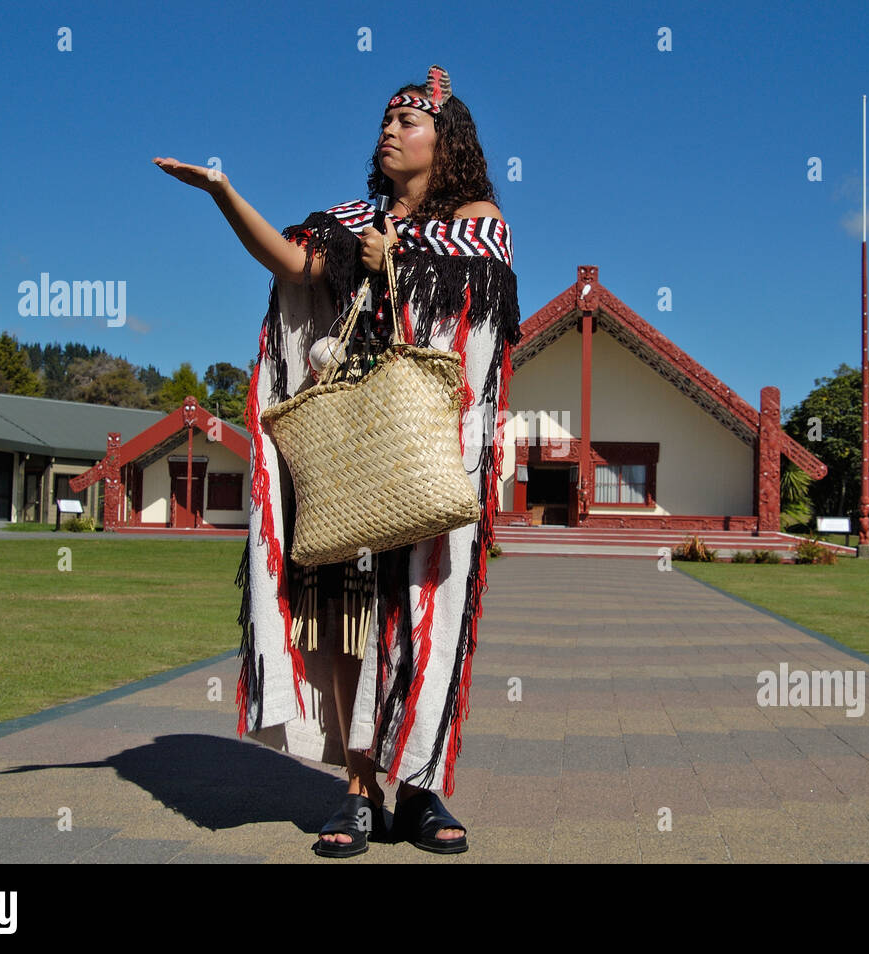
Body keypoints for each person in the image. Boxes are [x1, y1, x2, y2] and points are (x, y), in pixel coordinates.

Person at [153, 65, 521, 859]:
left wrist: (397, 266)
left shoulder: (479, 221)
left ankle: (418, 786)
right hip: (355, 448)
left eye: (410, 120)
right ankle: (357, 789)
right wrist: (222, 191)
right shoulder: (353, 221)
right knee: (350, 614)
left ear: (447, 141)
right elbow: (291, 265)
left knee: (425, 613)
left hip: (429, 447)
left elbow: (475, 328)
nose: (389, 130)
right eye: (385, 120)